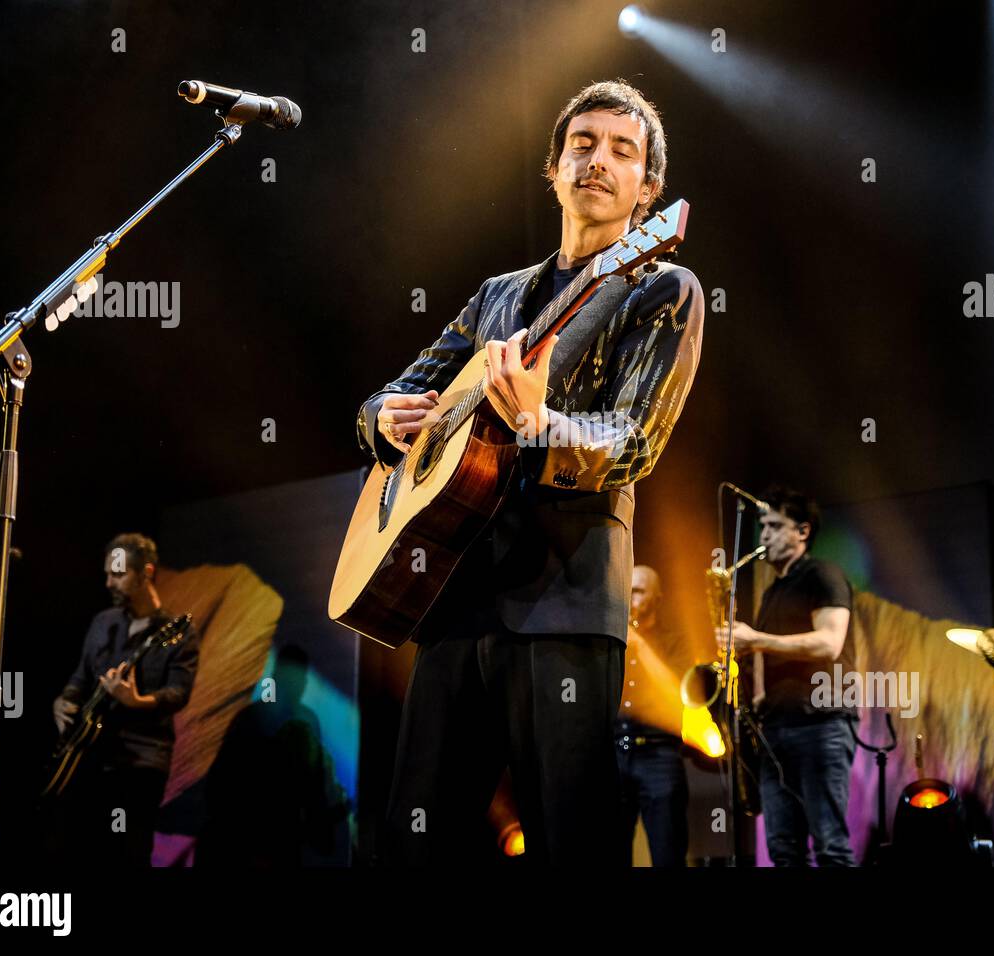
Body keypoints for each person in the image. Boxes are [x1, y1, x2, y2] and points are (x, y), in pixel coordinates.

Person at [359, 80, 704, 865]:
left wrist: (539, 426)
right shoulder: (497, 297)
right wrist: (380, 417)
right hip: (454, 596)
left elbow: (633, 442)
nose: (598, 161)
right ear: (553, 169)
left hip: (567, 600)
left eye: (624, 151)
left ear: (648, 192)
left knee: (571, 841)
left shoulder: (659, 286)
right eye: (582, 144)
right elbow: (401, 390)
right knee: (412, 842)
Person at [716, 487, 856, 866]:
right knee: (782, 850)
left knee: (830, 846)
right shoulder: (773, 590)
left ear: (803, 531)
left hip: (820, 725)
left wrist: (755, 638)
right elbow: (766, 652)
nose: (764, 535)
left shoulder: (822, 575)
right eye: (762, 525)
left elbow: (829, 643)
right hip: (776, 731)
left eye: (776, 526)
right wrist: (758, 698)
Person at [49, 533, 200, 866]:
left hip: (141, 762)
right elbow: (80, 677)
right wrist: (64, 702)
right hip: (91, 757)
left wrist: (136, 700)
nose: (109, 582)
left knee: (128, 852)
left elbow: (178, 693)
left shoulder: (178, 631)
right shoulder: (103, 623)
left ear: (146, 572)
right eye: (107, 574)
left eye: (118, 574)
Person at [616, 565, 690, 866]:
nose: (629, 597)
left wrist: (640, 646)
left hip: (659, 754)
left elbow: (678, 693)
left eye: (638, 591)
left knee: (667, 852)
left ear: (657, 599)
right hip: (615, 752)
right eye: (627, 590)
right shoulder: (616, 642)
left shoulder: (676, 641)